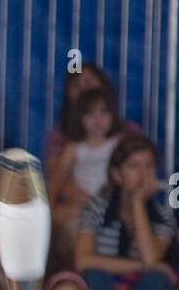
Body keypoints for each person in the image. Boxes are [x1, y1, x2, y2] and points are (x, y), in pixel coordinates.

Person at [74, 134, 178, 290]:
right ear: (117, 174)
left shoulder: (163, 215)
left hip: (142, 287)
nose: (143, 175)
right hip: (104, 284)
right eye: (134, 167)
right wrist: (139, 265)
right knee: (94, 279)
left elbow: (151, 259)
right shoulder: (97, 207)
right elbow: (82, 260)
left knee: (156, 281)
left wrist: (138, 204)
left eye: (149, 166)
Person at [42, 61, 143, 184]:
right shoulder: (59, 138)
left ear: (103, 86)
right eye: (76, 86)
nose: (83, 89)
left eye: (88, 82)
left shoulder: (128, 132)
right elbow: (55, 180)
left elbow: (140, 174)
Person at [48, 85, 123, 241]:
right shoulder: (74, 149)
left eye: (104, 111)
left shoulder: (119, 144)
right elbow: (56, 181)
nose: (97, 119)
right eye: (90, 113)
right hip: (82, 207)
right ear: (79, 118)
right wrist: (49, 210)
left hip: (112, 206)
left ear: (113, 115)